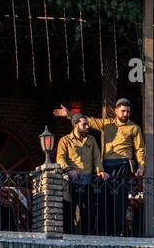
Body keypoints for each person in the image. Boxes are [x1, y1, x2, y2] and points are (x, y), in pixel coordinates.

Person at [55, 98, 145, 236]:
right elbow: (87, 120)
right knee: (103, 201)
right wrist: (69, 114)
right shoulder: (106, 124)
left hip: (122, 164)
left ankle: (117, 231)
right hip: (106, 165)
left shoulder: (134, 128)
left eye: (128, 112)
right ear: (116, 111)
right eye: (123, 111)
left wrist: (141, 166)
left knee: (119, 201)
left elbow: (140, 149)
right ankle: (104, 232)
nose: (126, 114)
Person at [56, 112, 106, 235]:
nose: (87, 127)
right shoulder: (65, 141)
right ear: (75, 125)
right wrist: (68, 169)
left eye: (88, 124)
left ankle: (87, 238)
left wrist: (100, 171)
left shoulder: (92, 140)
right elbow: (60, 158)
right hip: (70, 181)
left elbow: (96, 158)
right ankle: (67, 238)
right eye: (84, 124)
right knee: (68, 211)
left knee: (89, 212)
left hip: (87, 181)